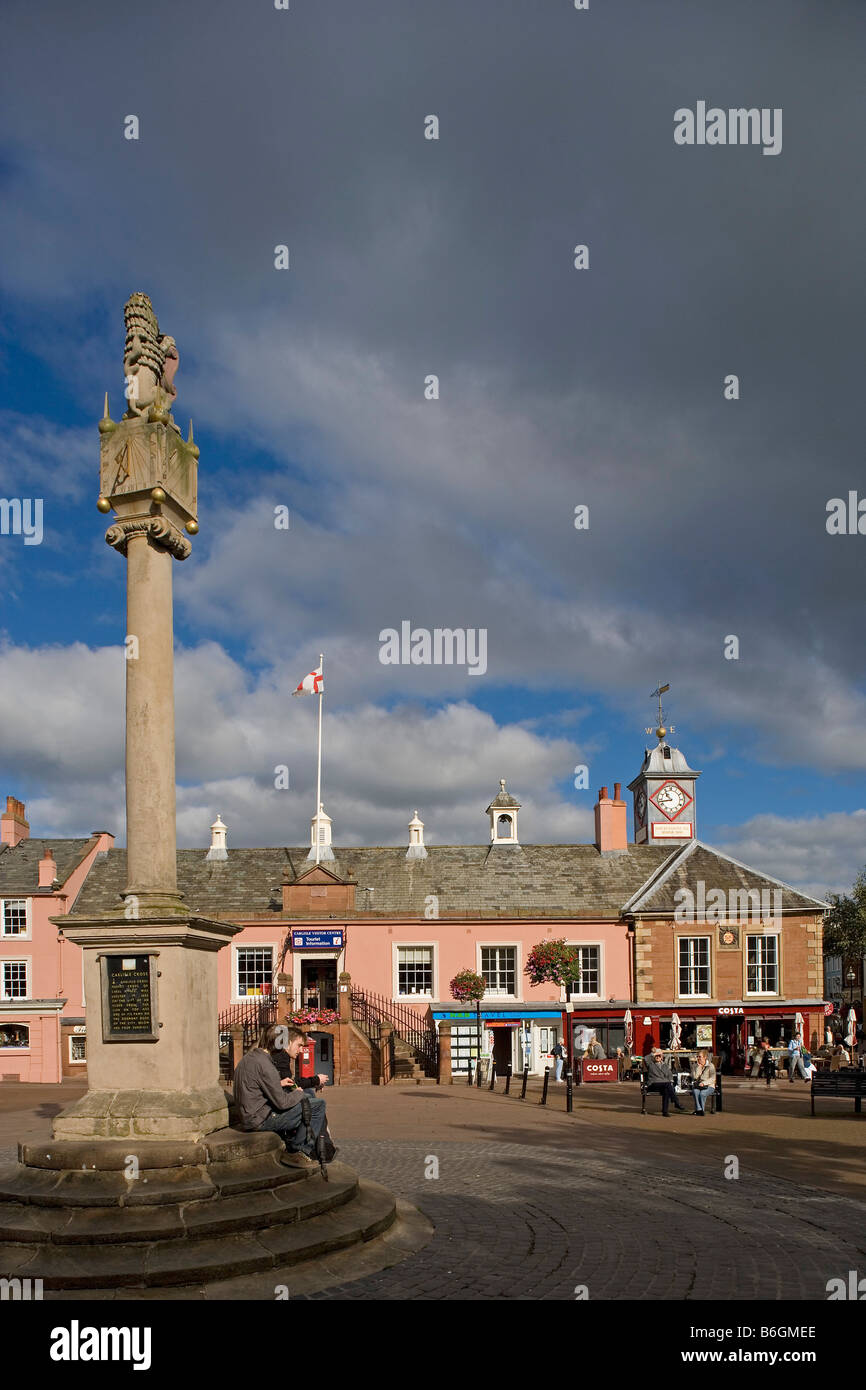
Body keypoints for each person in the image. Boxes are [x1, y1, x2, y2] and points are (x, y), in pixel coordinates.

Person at [232, 1023, 328, 1167]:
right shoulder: (266, 1065)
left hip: (249, 1114)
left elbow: (258, 1085)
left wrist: (279, 1084)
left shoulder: (250, 1058)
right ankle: (297, 1152)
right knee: (318, 1106)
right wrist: (298, 1093)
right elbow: (282, 1102)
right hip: (260, 1119)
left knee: (308, 1100)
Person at [644, 1047, 685, 1116]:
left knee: (666, 1090)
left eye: (659, 1056)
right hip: (653, 1084)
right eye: (656, 1056)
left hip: (664, 1084)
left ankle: (665, 1112)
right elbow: (646, 1058)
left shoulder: (665, 1065)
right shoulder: (651, 1064)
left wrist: (671, 1079)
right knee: (667, 1085)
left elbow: (669, 1074)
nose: (657, 1057)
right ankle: (676, 1102)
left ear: (662, 1057)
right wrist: (653, 1053)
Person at [689, 1049, 716, 1115]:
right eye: (697, 1056)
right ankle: (699, 1110)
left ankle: (700, 1110)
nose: (698, 1058)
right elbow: (694, 1077)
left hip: (709, 1086)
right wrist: (698, 1067)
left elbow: (713, 1078)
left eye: (700, 1056)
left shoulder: (711, 1065)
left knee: (702, 1094)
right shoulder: (695, 1066)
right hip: (698, 1085)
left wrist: (704, 1083)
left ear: (705, 1057)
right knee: (695, 1091)